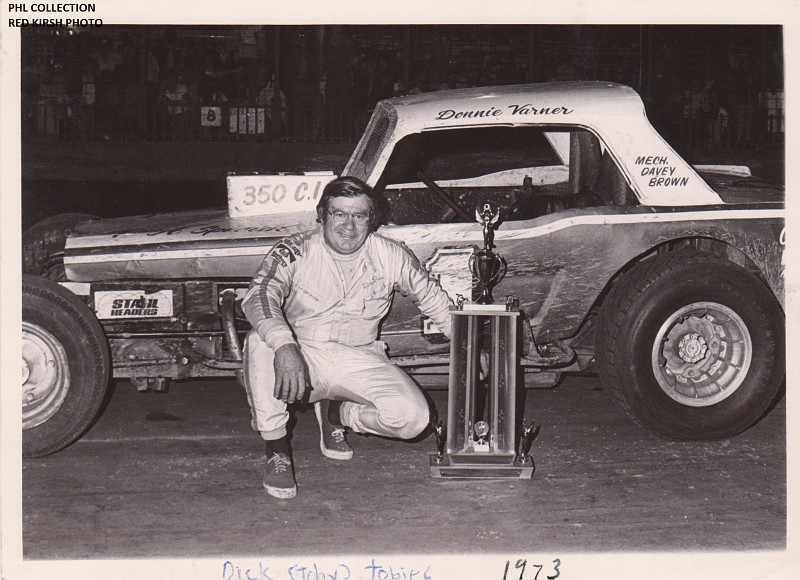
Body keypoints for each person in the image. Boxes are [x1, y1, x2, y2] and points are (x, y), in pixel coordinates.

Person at [241, 177, 453, 499]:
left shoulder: (391, 254)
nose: (349, 226)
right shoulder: (295, 249)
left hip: (361, 356)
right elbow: (259, 294)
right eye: (339, 214)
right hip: (305, 353)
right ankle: (277, 449)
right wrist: (285, 345)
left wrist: (471, 346)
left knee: (413, 420)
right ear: (322, 215)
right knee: (260, 342)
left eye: (360, 216)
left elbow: (434, 299)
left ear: (372, 219)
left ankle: (337, 413)